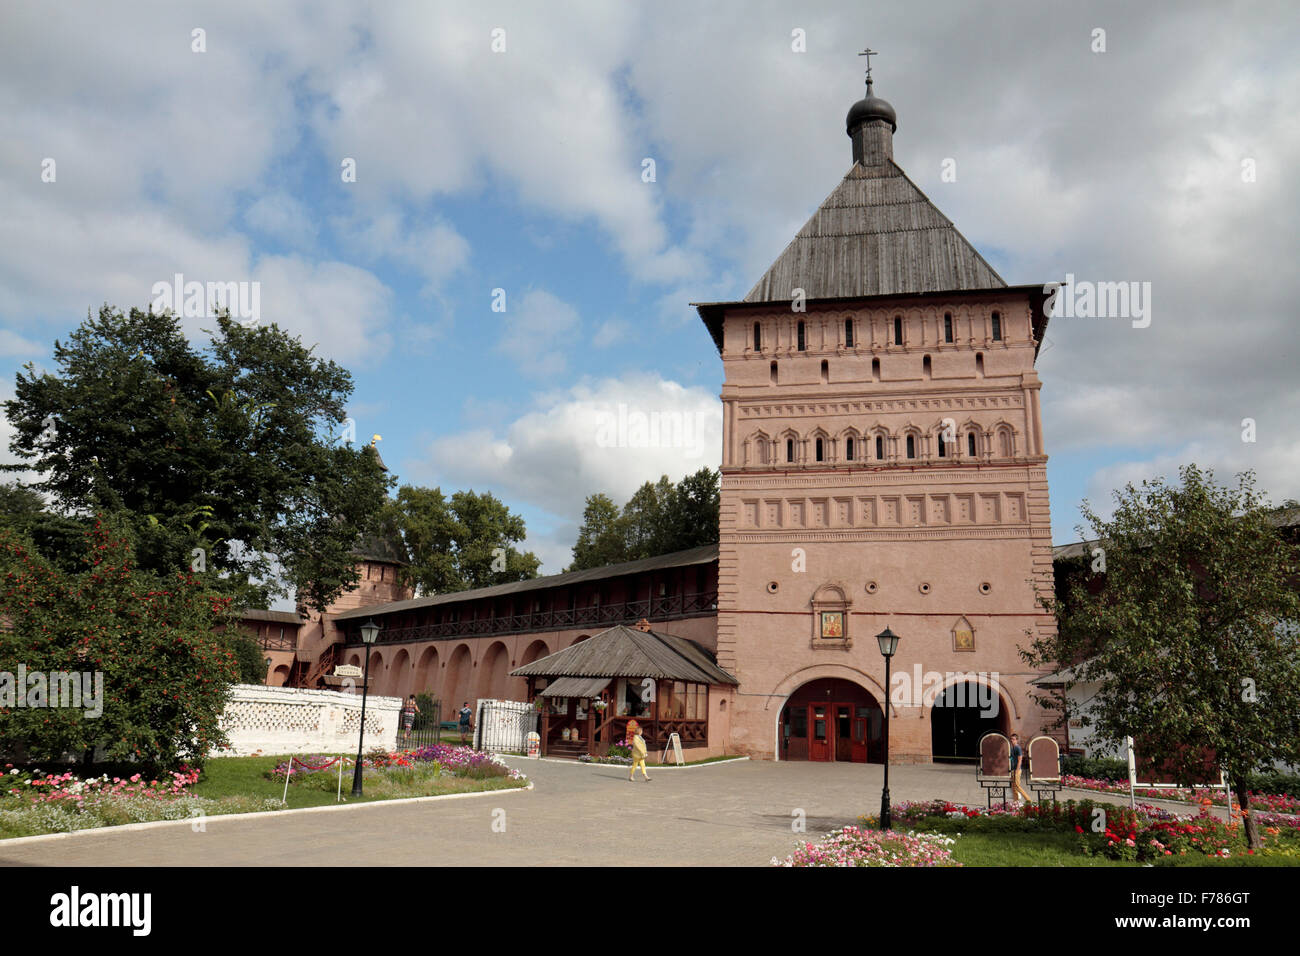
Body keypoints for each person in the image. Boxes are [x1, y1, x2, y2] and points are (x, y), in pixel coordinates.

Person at [1009, 732, 1031, 804]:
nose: (1012, 740)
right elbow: (1011, 759)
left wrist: (1017, 771)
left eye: (1013, 739)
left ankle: (1028, 800)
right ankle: (1016, 801)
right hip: (1013, 769)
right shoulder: (1012, 748)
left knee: (1017, 786)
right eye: (1011, 739)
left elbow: (1020, 760)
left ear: (1016, 740)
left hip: (1017, 770)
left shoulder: (1018, 748)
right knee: (1013, 787)